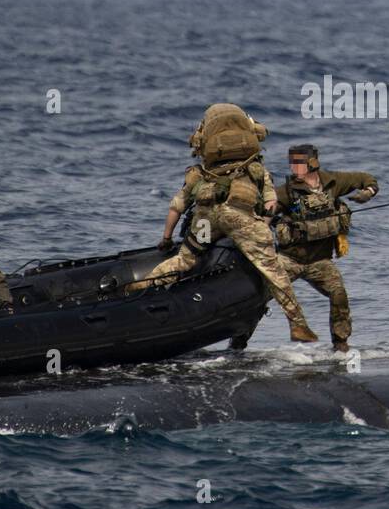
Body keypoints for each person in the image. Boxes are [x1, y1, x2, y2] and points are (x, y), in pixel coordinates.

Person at [128, 104, 320, 343]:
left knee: (183, 260)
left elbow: (176, 206)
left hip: (207, 221)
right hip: (239, 219)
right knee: (272, 270)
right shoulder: (256, 169)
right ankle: (298, 326)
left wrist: (166, 238)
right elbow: (270, 204)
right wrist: (261, 222)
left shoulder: (200, 172)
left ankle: (136, 292)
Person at [273, 144, 378, 352]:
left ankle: (340, 344)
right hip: (289, 259)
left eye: (299, 162)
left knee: (339, 294)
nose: (294, 167)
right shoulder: (286, 191)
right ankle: (240, 341)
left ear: (312, 162)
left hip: (320, 261)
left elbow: (366, 178)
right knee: (260, 295)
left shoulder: (333, 182)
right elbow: (267, 208)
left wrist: (368, 192)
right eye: (291, 162)